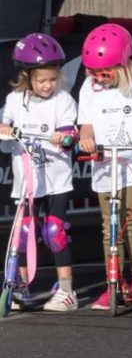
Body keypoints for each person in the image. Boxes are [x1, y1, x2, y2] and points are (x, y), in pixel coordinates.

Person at [75, 24, 132, 309]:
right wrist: (86, 138)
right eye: (94, 72)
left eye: (105, 72)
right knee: (108, 226)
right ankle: (114, 280)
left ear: (124, 64)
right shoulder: (90, 88)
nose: (99, 78)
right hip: (105, 162)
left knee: (128, 216)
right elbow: (85, 123)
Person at [1, 35, 78, 311]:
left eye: (52, 79)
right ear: (27, 77)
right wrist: (5, 128)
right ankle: (21, 287)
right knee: (24, 232)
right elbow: (4, 124)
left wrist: (65, 136)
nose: (48, 85)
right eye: (42, 80)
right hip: (27, 182)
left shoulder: (63, 100)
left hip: (56, 179)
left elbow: (71, 131)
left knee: (54, 231)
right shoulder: (14, 100)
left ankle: (67, 291)